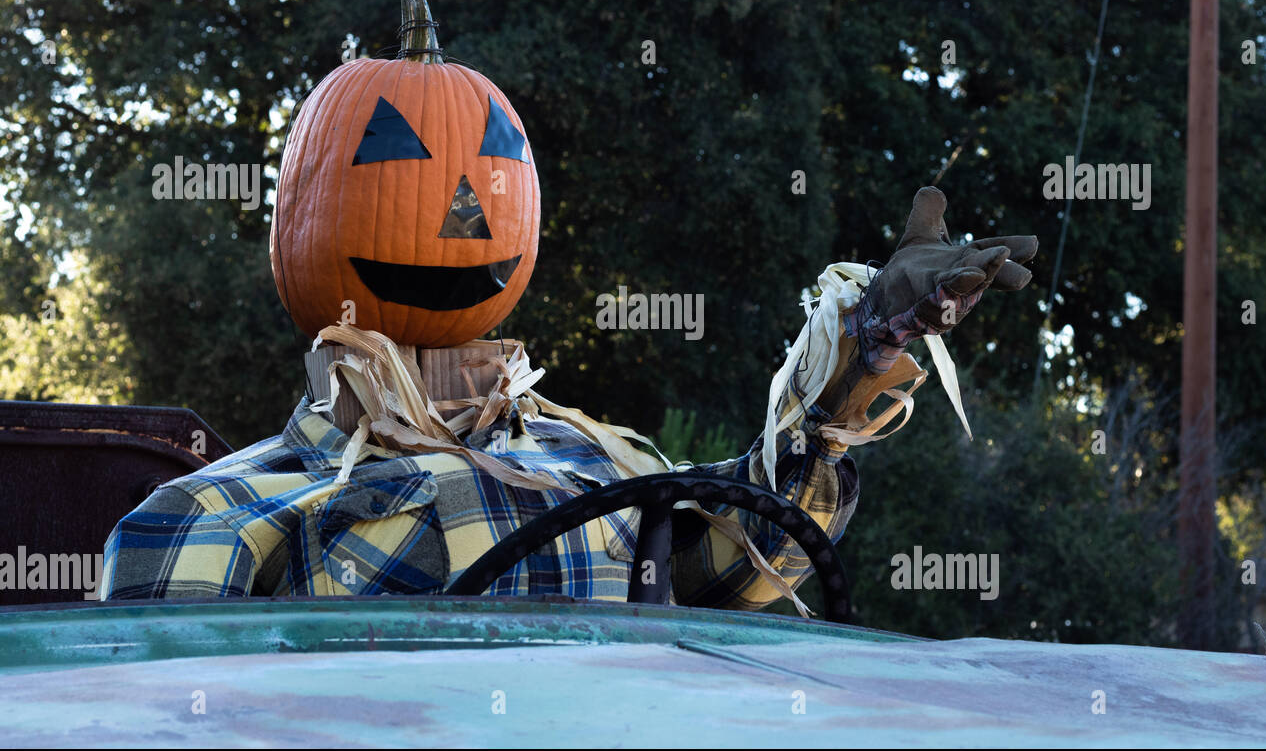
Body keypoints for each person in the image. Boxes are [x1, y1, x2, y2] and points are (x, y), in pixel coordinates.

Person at [99, 185, 1035, 609]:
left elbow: (743, 565)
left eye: (488, 165)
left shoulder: (606, 462)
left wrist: (860, 351)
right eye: (393, 158)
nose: (458, 205)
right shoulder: (205, 517)